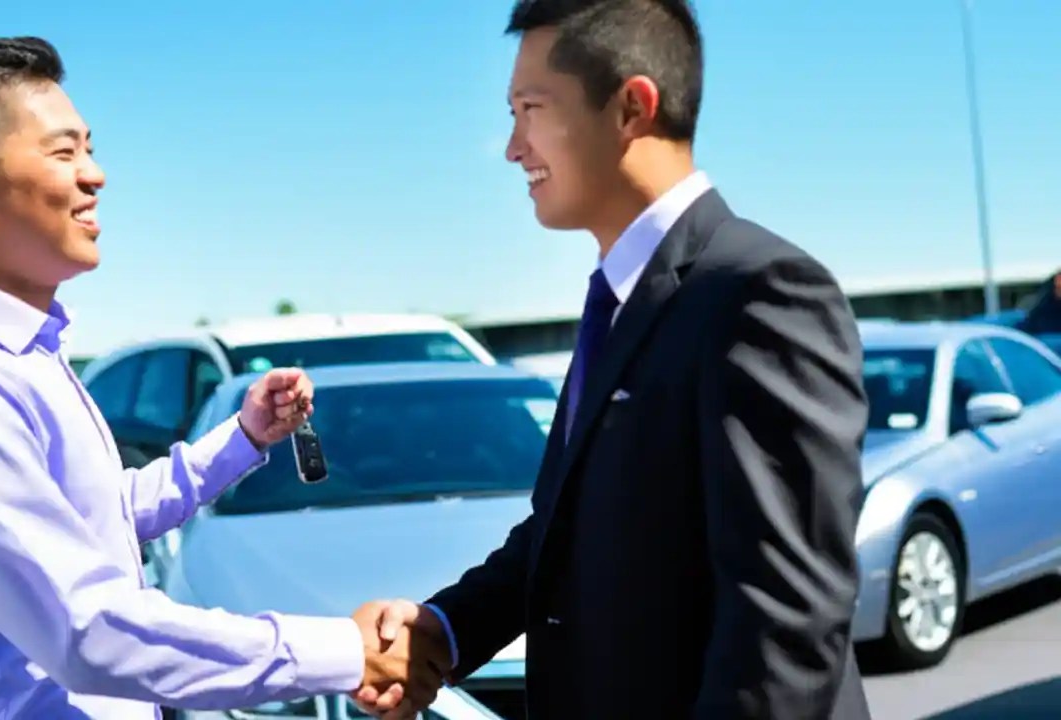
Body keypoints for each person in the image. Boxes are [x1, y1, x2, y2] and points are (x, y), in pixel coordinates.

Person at [0, 37, 444, 719]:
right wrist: (346, 652)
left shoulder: (20, 353)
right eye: (63, 152)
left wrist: (244, 439)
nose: (94, 175)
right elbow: (87, 629)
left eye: (89, 148)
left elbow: (98, 519)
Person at [354, 1, 872, 718]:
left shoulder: (758, 293)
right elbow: (567, 534)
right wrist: (442, 629)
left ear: (632, 107)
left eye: (531, 108)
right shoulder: (625, 300)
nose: (512, 146)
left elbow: (784, 624)